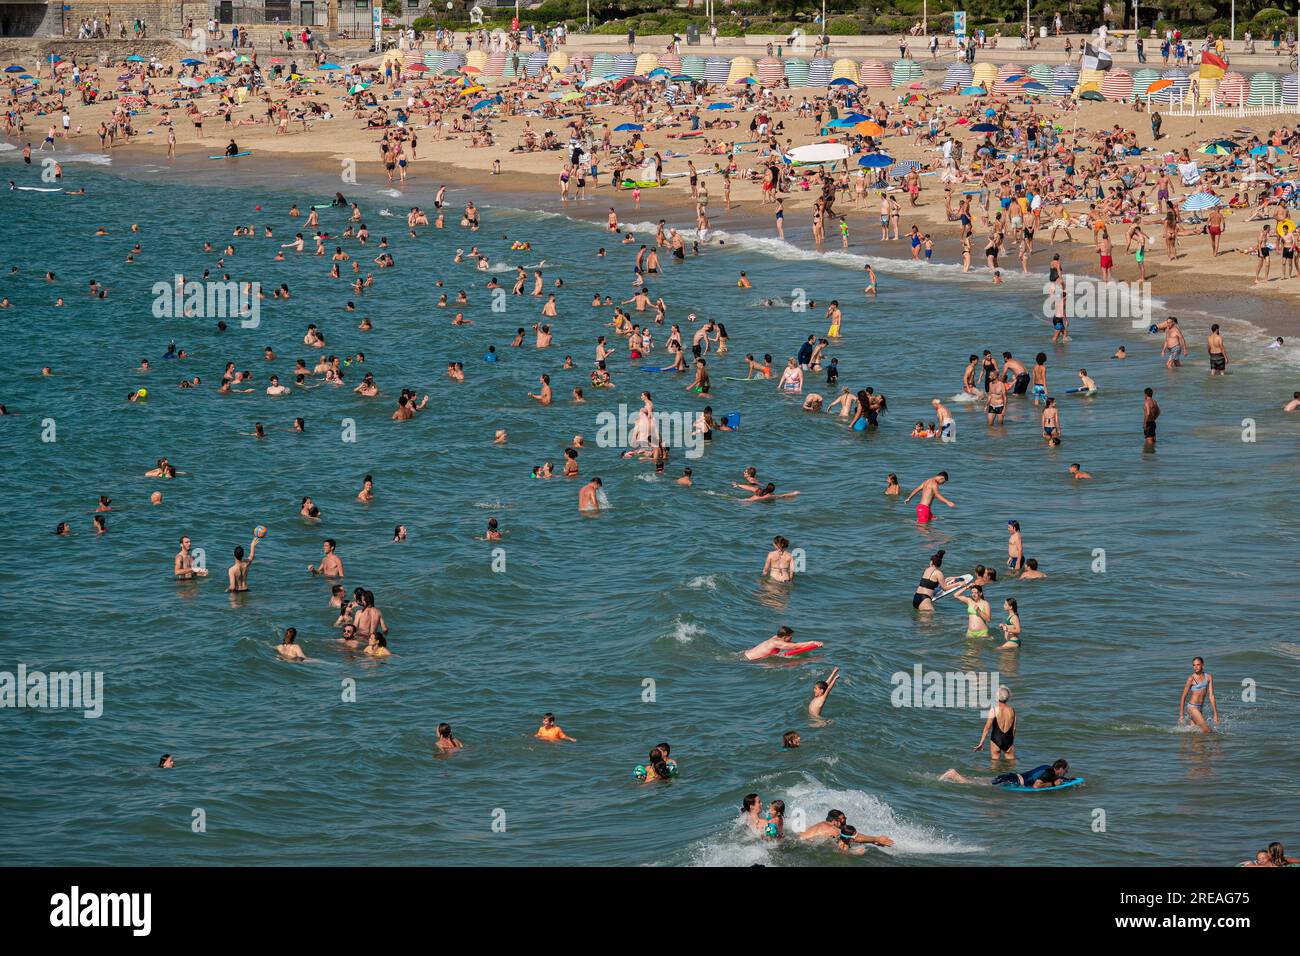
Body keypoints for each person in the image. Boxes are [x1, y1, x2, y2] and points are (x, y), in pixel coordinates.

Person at [797, 809, 894, 849]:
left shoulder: (821, 824)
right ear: (835, 821)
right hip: (800, 846)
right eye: (842, 820)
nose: (845, 821)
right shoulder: (831, 829)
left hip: (798, 841)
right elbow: (853, 836)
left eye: (845, 818)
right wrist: (876, 839)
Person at [1179, 656, 1219, 732]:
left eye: (1198, 664)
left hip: (1200, 708)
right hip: (1192, 707)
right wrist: (1181, 715)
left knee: (1196, 735)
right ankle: (1216, 742)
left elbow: (1211, 696)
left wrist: (1215, 714)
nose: (1196, 667)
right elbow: (1183, 696)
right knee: (1207, 730)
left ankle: (1184, 742)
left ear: (1202, 665)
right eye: (1194, 665)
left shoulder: (1209, 677)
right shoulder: (1191, 678)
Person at [975, 686, 1016, 760]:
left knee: (995, 764)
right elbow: (1014, 729)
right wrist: (1011, 742)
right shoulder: (1012, 710)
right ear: (1008, 697)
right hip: (1009, 740)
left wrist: (981, 742)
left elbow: (987, 727)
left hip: (996, 739)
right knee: (1011, 764)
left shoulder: (994, 709)